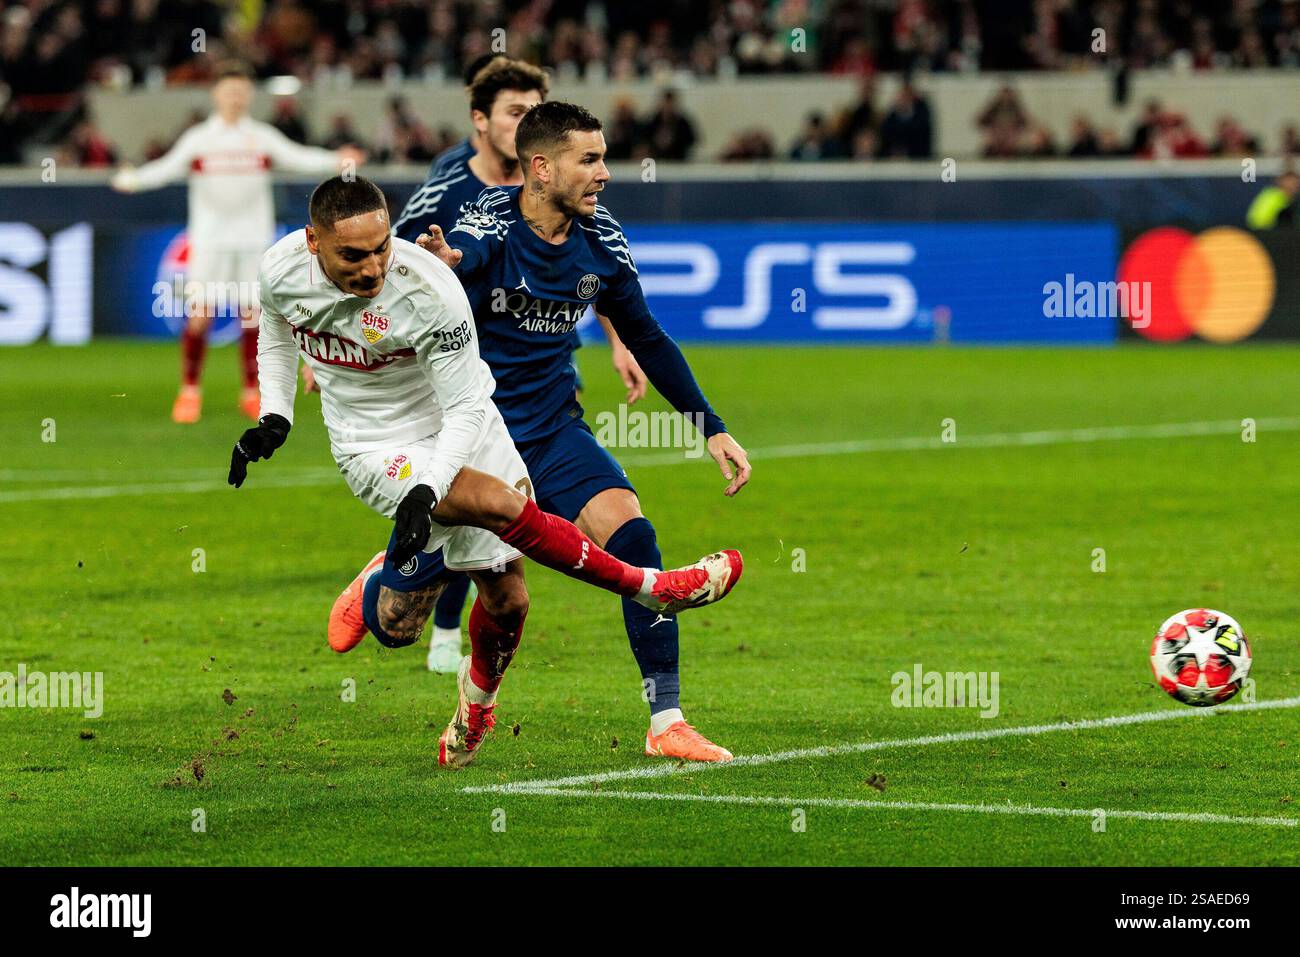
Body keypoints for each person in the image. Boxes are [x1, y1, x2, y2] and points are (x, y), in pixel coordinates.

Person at [230, 175, 742, 769]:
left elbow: (466, 407)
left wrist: (430, 486)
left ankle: (472, 704)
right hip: (372, 443)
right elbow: (275, 326)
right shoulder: (283, 266)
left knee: (508, 602)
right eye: (353, 255)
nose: (372, 269)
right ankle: (651, 586)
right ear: (314, 243)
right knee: (489, 516)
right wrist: (276, 416)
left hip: (468, 421)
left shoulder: (427, 287)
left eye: (382, 249)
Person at [415, 101, 753, 762]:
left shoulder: (601, 240)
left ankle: (666, 721)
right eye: (589, 160)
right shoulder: (489, 218)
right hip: (473, 438)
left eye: (603, 157)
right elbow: (468, 254)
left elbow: (647, 335)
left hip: (551, 431)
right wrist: (450, 261)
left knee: (635, 537)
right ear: (540, 167)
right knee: (421, 613)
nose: (604, 173)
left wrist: (709, 427)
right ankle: (466, 689)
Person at [393, 56, 647, 673]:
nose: (524, 121)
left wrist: (620, 341)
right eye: (514, 111)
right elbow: (391, 260)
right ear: (481, 121)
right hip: (464, 382)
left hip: (545, 372)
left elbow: (602, 276)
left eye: (533, 110)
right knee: (460, 542)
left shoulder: (568, 198)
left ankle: (460, 627)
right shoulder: (452, 187)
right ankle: (426, 602)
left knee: (530, 519)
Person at [110, 61, 363, 423]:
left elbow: (297, 157)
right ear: (217, 94)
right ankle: (189, 390)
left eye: (242, 91)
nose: (236, 97)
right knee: (200, 315)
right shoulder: (200, 138)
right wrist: (133, 180)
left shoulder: (260, 136)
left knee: (251, 316)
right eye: (229, 91)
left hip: (253, 241)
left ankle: (250, 390)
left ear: (248, 96)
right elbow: (166, 168)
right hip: (210, 241)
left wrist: (337, 160)